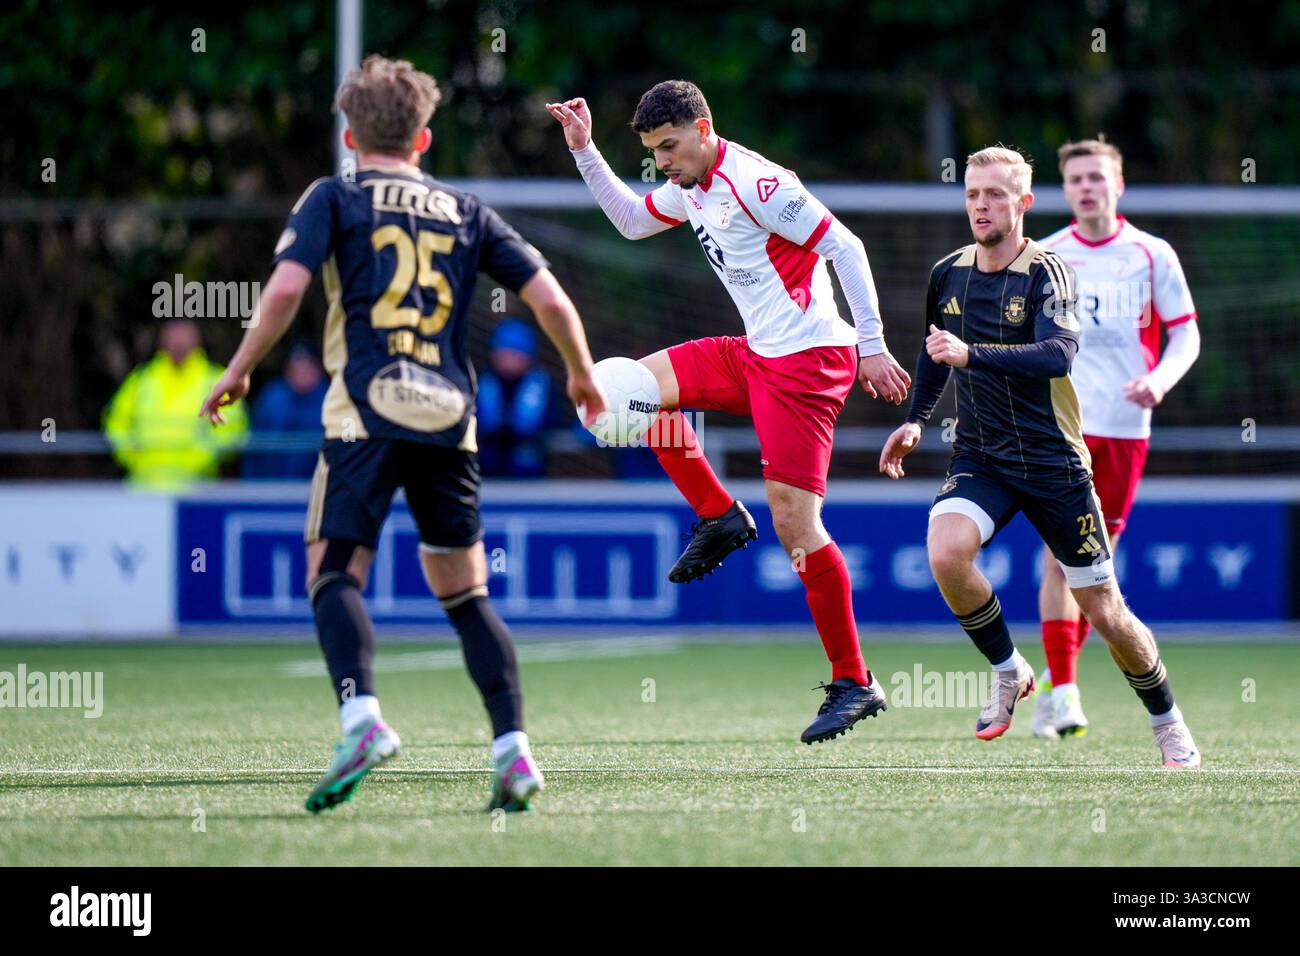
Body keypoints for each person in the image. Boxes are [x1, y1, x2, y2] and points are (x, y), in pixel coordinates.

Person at [200, 55, 605, 813]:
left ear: (351, 136)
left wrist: (240, 368)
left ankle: (361, 718)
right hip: (450, 420)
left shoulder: (335, 196)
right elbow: (549, 297)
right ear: (423, 143)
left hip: (366, 411)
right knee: (468, 595)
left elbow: (287, 287)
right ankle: (513, 752)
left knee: (332, 574)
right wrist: (580, 373)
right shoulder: (466, 210)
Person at [547, 81, 911, 744]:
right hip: (756, 353)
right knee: (631, 389)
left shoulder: (758, 183)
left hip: (807, 362)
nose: (662, 161)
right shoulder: (690, 184)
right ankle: (718, 516)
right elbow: (632, 221)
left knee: (797, 528)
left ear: (704, 127)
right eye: (654, 151)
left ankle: (854, 681)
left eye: (670, 145)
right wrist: (584, 150)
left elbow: (846, 248)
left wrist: (873, 347)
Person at [878, 146, 1200, 767]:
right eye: (972, 193)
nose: (980, 205)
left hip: (1054, 462)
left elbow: (1058, 355)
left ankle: (1167, 721)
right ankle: (1010, 669)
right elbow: (931, 351)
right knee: (946, 553)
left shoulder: (1050, 271)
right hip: (982, 457)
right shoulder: (947, 272)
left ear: (1022, 204)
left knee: (1105, 610)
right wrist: (916, 421)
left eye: (995, 195)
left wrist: (971, 354)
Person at [1029, 137, 1201, 739]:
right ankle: (1067, 694)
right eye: (1075, 179)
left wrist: (1159, 380)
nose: (1086, 187)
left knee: (1094, 566)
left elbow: (1186, 336)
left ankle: (1056, 682)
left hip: (1126, 431)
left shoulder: (1152, 255)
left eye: (1096, 177)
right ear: (1066, 188)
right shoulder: (1045, 256)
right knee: (1058, 556)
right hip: (1062, 428)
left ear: (1117, 184)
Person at [104, 318, 247, 490]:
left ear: (197, 340)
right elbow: (116, 421)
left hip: (196, 486)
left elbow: (234, 427)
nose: (178, 343)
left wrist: (203, 457)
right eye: (172, 338)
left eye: (184, 337)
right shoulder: (142, 379)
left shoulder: (216, 380)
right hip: (145, 485)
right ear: (162, 341)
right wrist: (132, 457)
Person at [476, 318, 564, 477]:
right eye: (504, 353)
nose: (509, 360)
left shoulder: (543, 385)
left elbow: (549, 424)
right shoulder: (482, 383)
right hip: (487, 471)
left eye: (515, 354)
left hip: (528, 470)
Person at [242, 342, 328, 480]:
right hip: (273, 487)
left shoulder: (330, 399)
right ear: (287, 370)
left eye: (308, 366)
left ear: (318, 369)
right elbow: (255, 445)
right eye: (297, 366)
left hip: (315, 486)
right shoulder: (272, 397)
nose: (302, 372)